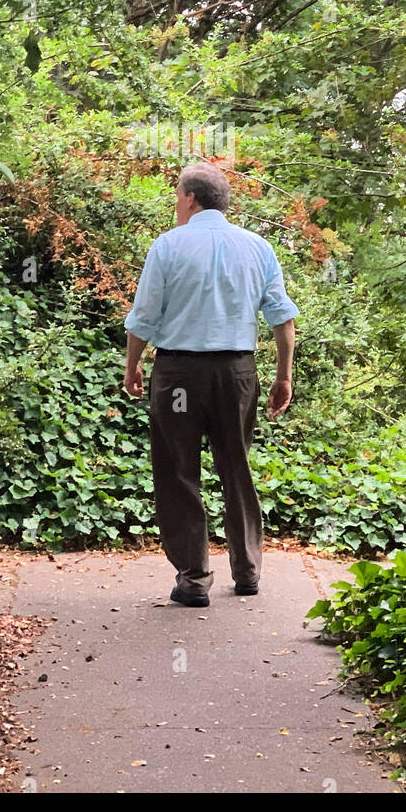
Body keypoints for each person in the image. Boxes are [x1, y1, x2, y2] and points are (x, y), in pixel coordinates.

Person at [123, 161, 298, 608]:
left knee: (179, 471)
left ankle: (194, 579)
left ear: (190, 198)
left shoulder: (168, 246)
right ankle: (247, 572)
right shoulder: (258, 247)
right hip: (236, 372)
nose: (175, 204)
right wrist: (283, 376)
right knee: (235, 466)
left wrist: (132, 367)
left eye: (176, 196)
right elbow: (281, 316)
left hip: (179, 373)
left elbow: (144, 316)